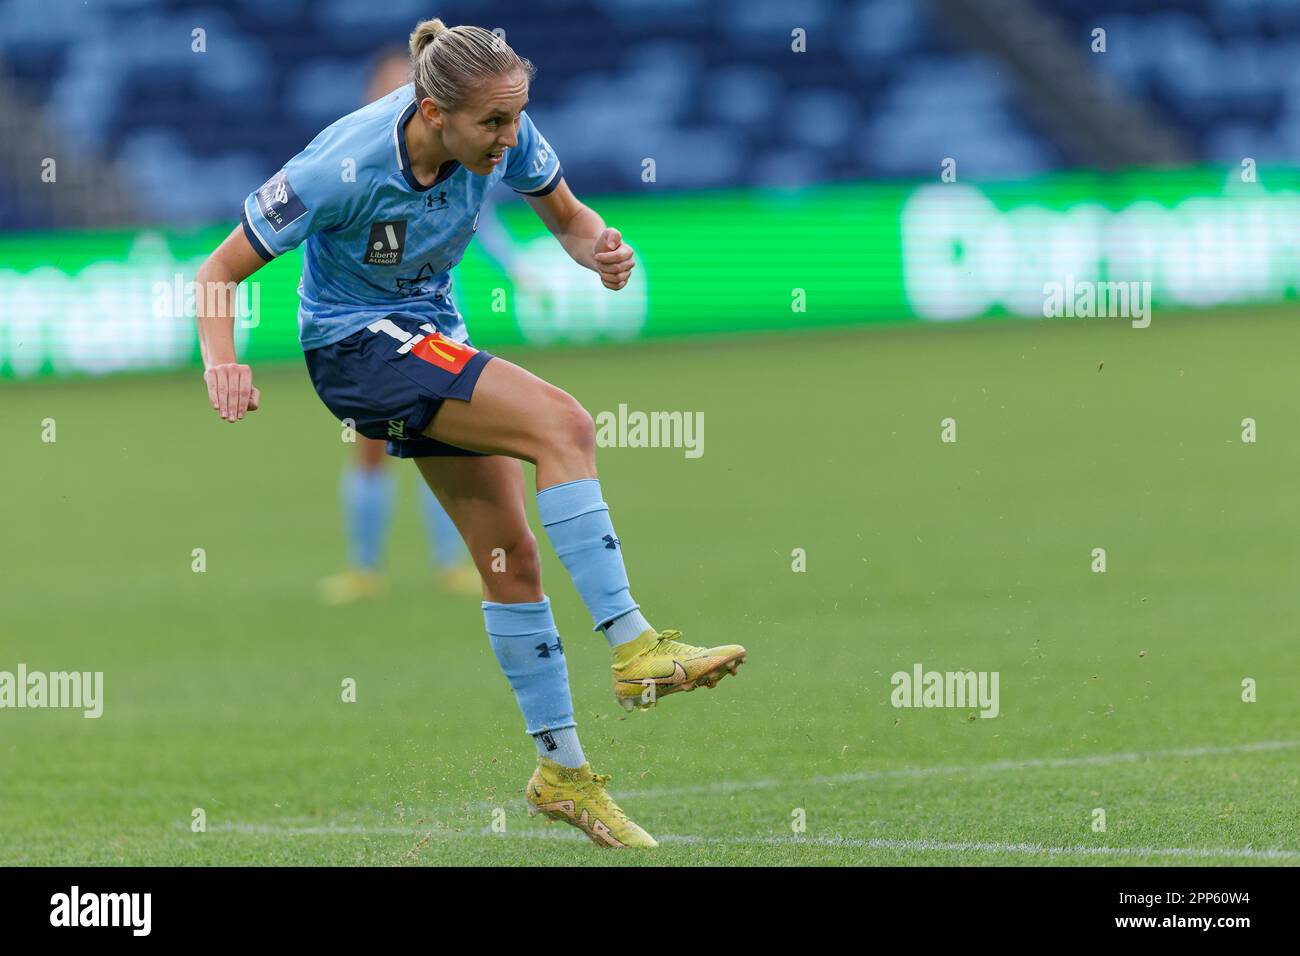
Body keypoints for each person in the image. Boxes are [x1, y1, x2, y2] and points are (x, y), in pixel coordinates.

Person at [194, 19, 746, 848]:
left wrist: (598, 248)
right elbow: (218, 270)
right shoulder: (338, 165)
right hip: (353, 348)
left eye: (516, 117)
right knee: (563, 424)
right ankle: (634, 646)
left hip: (429, 336)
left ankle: (562, 774)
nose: (510, 137)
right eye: (492, 123)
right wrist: (221, 362)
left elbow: (566, 216)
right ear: (430, 111)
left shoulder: (502, 130)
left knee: (510, 558)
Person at [318, 46, 479, 605]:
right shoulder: (354, 162)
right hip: (367, 330)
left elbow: (492, 221)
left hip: (428, 319)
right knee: (371, 445)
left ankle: (452, 562)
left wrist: (523, 269)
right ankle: (364, 566)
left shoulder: (456, 159)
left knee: (445, 439)